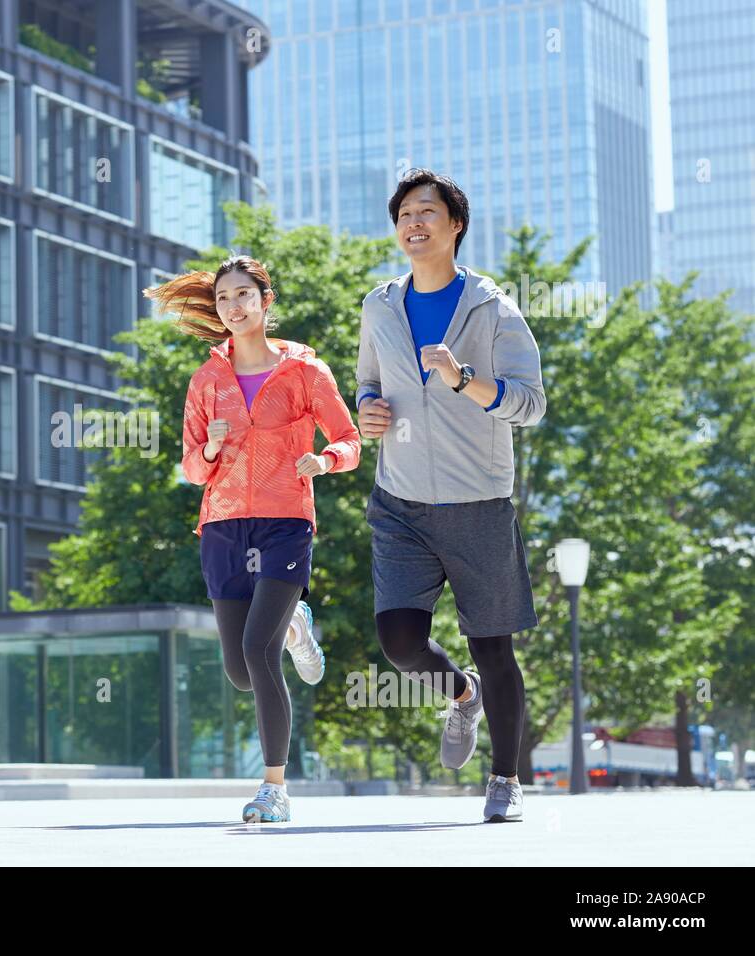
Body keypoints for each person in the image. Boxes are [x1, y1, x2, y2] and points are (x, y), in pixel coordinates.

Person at [355, 169, 546, 822]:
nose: (414, 223)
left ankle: (506, 779)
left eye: (427, 212)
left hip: (478, 503)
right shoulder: (379, 305)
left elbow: (530, 403)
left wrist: (464, 380)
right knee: (400, 641)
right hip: (400, 502)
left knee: (494, 646)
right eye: (405, 213)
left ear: (455, 224)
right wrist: (366, 411)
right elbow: (368, 381)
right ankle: (459, 695)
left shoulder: (493, 309)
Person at [146, 254, 361, 823]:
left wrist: (325, 459)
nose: (233, 306)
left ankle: (274, 789)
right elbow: (192, 468)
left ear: (266, 301)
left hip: (284, 520)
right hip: (221, 524)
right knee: (240, 671)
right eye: (223, 298)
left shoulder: (305, 372)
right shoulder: (206, 379)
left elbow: (350, 439)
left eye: (244, 295)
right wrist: (211, 449)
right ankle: (296, 622)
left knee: (257, 653)